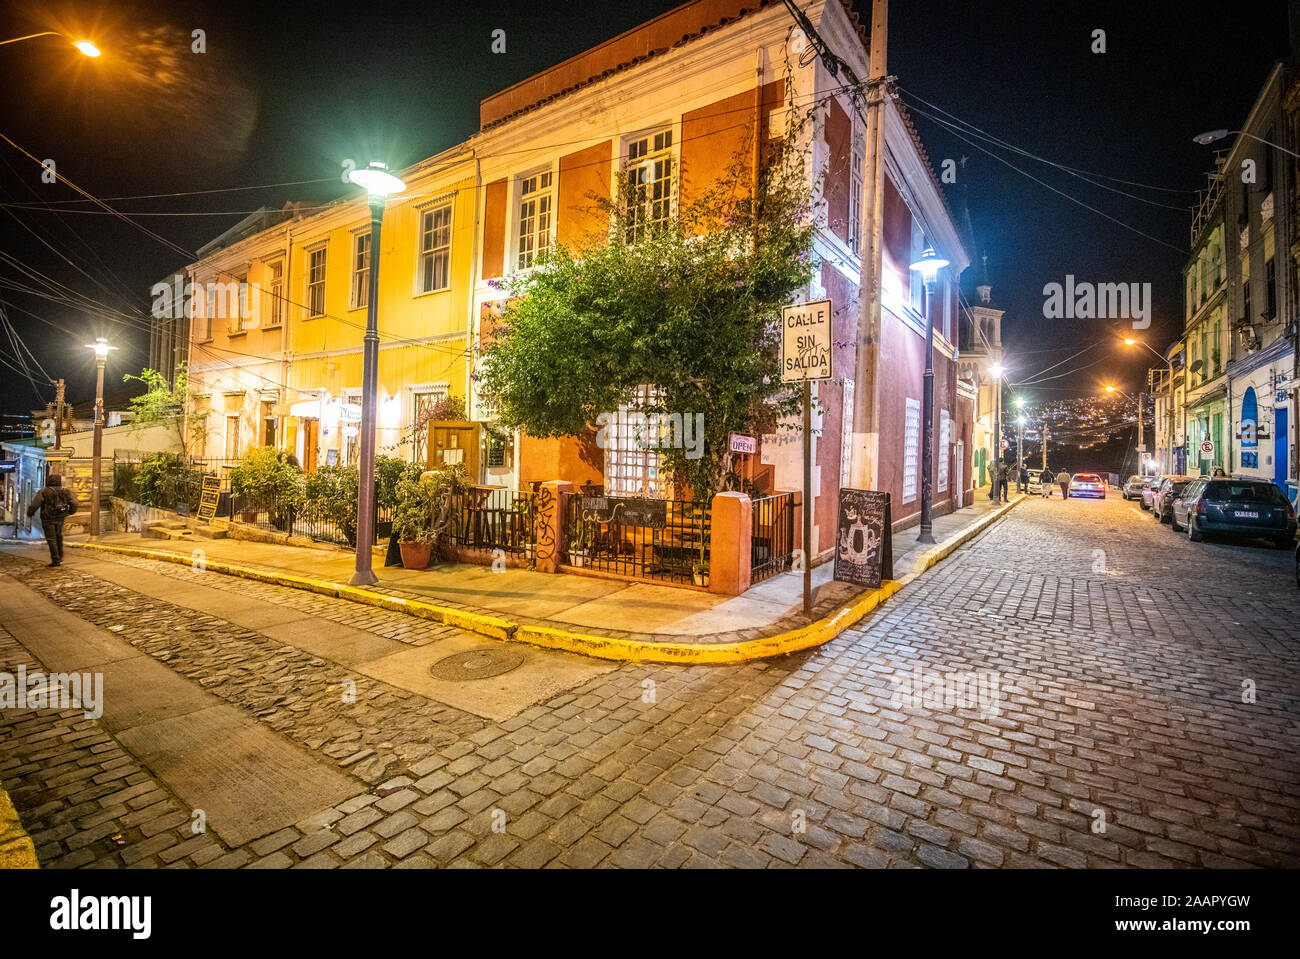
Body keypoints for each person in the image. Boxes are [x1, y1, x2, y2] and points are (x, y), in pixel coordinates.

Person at [26, 473, 78, 567]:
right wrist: (70, 512)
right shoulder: (65, 491)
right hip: (60, 516)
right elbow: (74, 502)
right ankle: (60, 556)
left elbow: (35, 504)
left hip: (48, 517)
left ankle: (55, 559)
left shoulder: (44, 491)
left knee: (51, 538)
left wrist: (30, 513)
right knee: (58, 536)